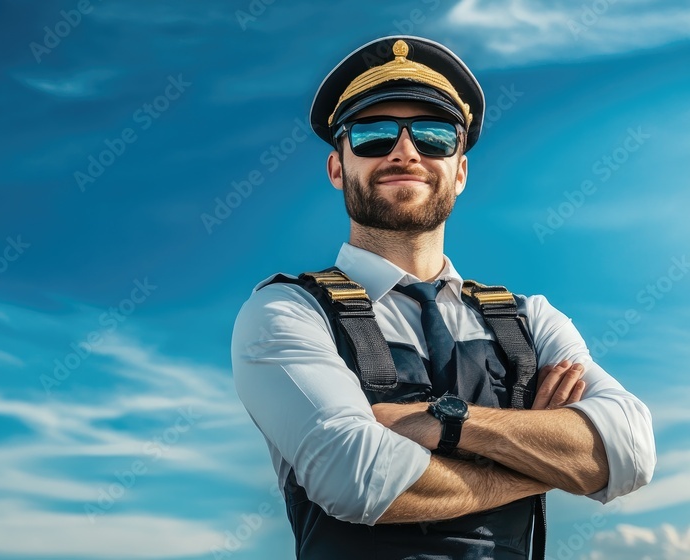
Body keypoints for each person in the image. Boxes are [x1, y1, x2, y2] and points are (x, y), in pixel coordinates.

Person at [230, 35, 656, 559]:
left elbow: (630, 451)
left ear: (460, 171)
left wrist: (447, 422)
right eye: (372, 134)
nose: (404, 150)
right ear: (337, 167)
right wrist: (547, 464)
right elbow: (356, 477)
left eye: (433, 135)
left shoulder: (531, 318)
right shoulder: (286, 311)